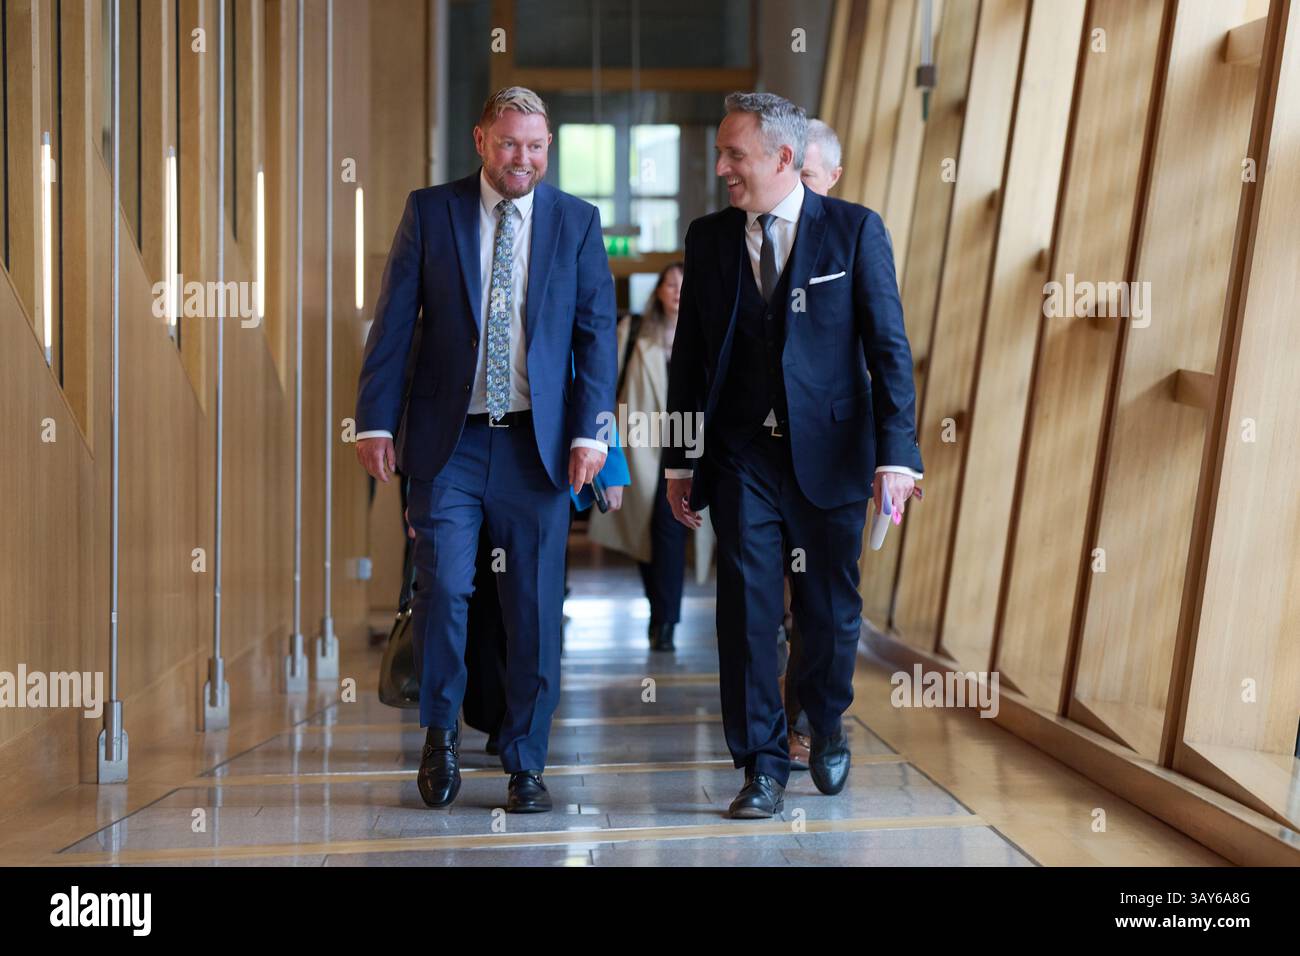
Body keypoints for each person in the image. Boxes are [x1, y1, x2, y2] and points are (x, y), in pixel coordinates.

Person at [354, 86, 617, 814]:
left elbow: (598, 338)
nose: (521, 159)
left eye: (534, 146)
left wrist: (594, 433)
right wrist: (374, 422)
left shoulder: (576, 223)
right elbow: (394, 323)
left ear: (549, 146)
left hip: (538, 451)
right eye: (508, 144)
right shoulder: (431, 211)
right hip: (452, 444)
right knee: (444, 588)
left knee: (534, 605)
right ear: (480, 140)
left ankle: (526, 761)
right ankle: (439, 732)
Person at [664, 92, 923, 819]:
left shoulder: (854, 231)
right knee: (745, 608)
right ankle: (762, 766)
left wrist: (897, 456)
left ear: (783, 158)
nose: (722, 169)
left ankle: (825, 719)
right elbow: (688, 357)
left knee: (829, 610)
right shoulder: (710, 238)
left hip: (834, 453)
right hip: (743, 454)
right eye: (721, 154)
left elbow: (889, 351)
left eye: (734, 155)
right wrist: (682, 461)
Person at [587, 263, 691, 652]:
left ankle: (665, 621)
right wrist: (602, 442)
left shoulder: (704, 330)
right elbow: (604, 386)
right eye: (670, 284)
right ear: (658, 291)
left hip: (687, 438)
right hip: (640, 441)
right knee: (647, 531)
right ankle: (658, 610)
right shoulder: (632, 332)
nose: (678, 291)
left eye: (684, 284)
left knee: (671, 530)